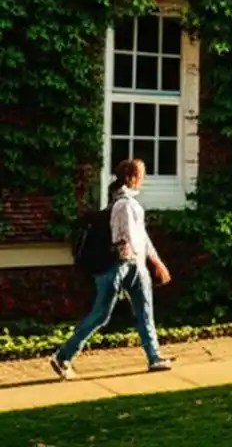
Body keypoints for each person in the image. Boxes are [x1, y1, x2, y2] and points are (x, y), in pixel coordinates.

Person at [50, 158, 173, 379]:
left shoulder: (130, 204)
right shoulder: (123, 205)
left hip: (135, 265)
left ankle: (154, 357)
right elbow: (121, 238)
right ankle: (63, 356)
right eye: (141, 174)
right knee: (102, 314)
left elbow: (142, 237)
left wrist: (155, 261)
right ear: (131, 177)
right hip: (120, 266)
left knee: (143, 313)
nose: (143, 179)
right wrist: (131, 260)